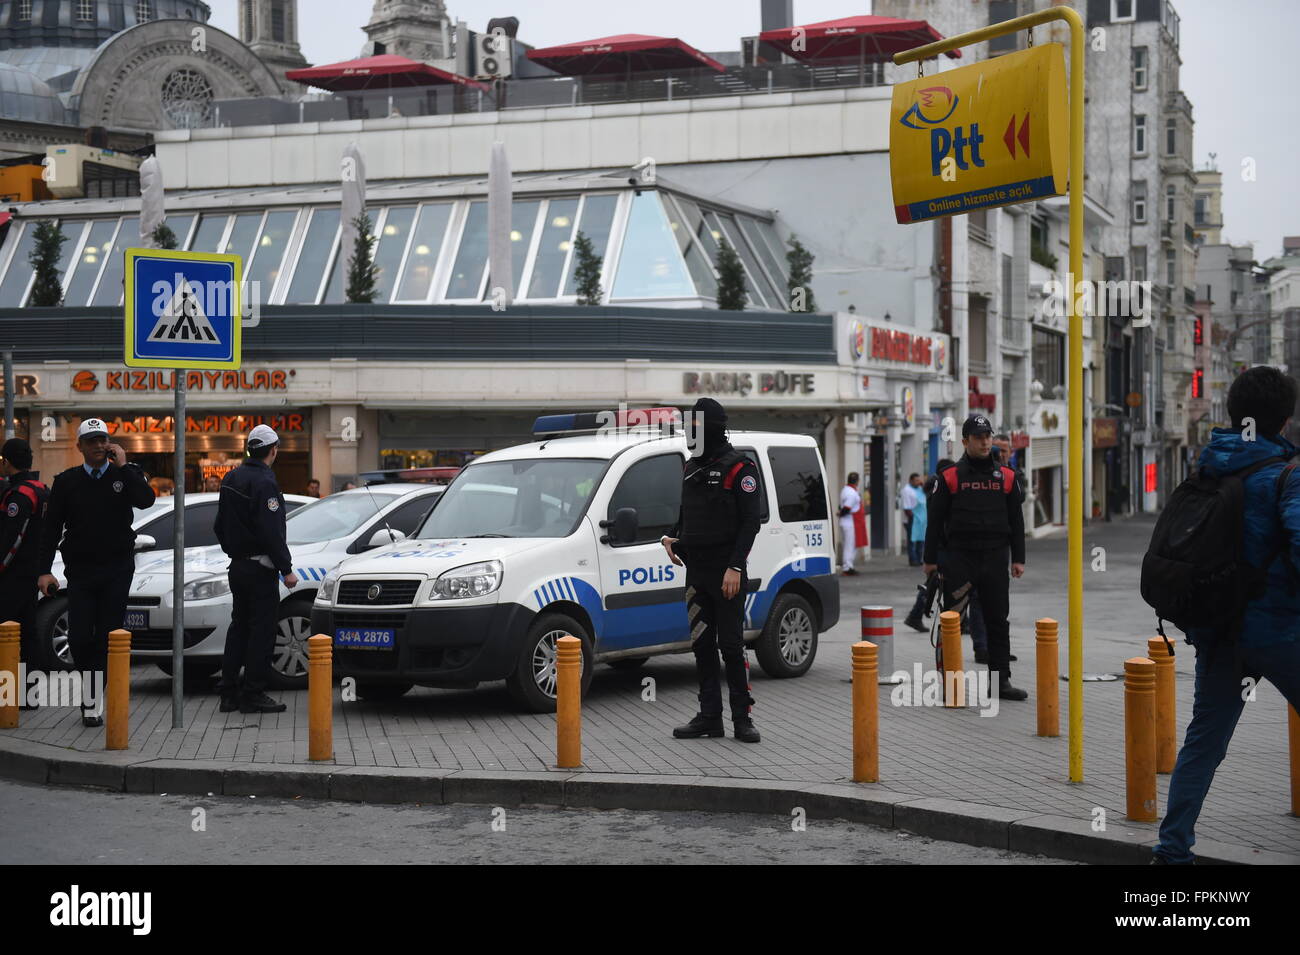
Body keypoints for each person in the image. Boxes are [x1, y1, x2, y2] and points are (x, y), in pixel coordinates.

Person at [1153, 366, 1300, 865]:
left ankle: (1171, 853)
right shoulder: (1287, 473)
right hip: (1280, 631)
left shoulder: (1209, 466)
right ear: (1286, 418)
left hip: (1219, 630)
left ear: (1234, 414)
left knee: (1204, 743)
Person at [37, 418, 155, 726]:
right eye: (92, 441)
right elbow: (50, 529)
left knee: (106, 636)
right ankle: (90, 692)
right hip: (81, 571)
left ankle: (92, 702)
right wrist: (44, 570)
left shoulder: (124, 475)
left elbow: (146, 500)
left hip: (116, 570)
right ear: (80, 447)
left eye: (103, 439)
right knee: (78, 638)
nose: (99, 445)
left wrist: (126, 466)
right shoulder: (66, 481)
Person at [663, 398, 763, 743]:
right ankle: (709, 718)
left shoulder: (741, 468)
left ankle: (742, 719)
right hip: (697, 576)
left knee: (732, 646)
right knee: (701, 645)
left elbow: (751, 522)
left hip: (727, 575)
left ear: (712, 430)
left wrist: (735, 566)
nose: (689, 434)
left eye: (694, 428)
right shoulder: (690, 467)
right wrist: (673, 538)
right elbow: (686, 514)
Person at [922, 414, 1028, 701]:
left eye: (988, 436)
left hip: (995, 557)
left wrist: (1018, 559)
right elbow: (935, 522)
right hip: (960, 558)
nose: (984, 441)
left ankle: (1000, 683)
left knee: (998, 621)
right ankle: (951, 685)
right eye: (978, 437)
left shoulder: (1006, 477)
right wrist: (930, 561)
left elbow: (1016, 522)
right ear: (965, 441)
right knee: (952, 620)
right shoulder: (949, 477)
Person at [214, 425, 299, 714]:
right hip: (260, 570)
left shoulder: (231, 478)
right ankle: (253, 693)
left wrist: (235, 551)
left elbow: (218, 525)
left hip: (237, 567)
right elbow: (271, 530)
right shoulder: (265, 483)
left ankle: (227, 693)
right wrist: (286, 568)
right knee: (261, 632)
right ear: (273, 450)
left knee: (238, 628)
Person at [0, 439, 48, 697]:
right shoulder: (42, 489)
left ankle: (9, 696)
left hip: (13, 576)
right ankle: (28, 695)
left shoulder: (20, 494)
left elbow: (13, 538)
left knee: (8, 634)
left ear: (6, 462)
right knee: (28, 634)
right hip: (31, 573)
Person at [838, 473, 861, 575]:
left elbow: (842, 506)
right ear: (857, 481)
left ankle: (848, 566)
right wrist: (841, 513)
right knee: (850, 545)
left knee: (848, 544)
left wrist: (840, 513)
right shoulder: (851, 492)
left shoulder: (845, 490)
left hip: (846, 521)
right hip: (850, 522)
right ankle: (847, 567)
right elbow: (847, 508)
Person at [900, 473, 921, 565]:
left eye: (918, 480)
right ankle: (913, 560)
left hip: (920, 519)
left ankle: (919, 558)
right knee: (912, 540)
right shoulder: (906, 490)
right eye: (916, 480)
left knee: (920, 540)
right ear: (911, 481)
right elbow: (907, 508)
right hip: (911, 519)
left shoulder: (919, 489)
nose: (918, 482)